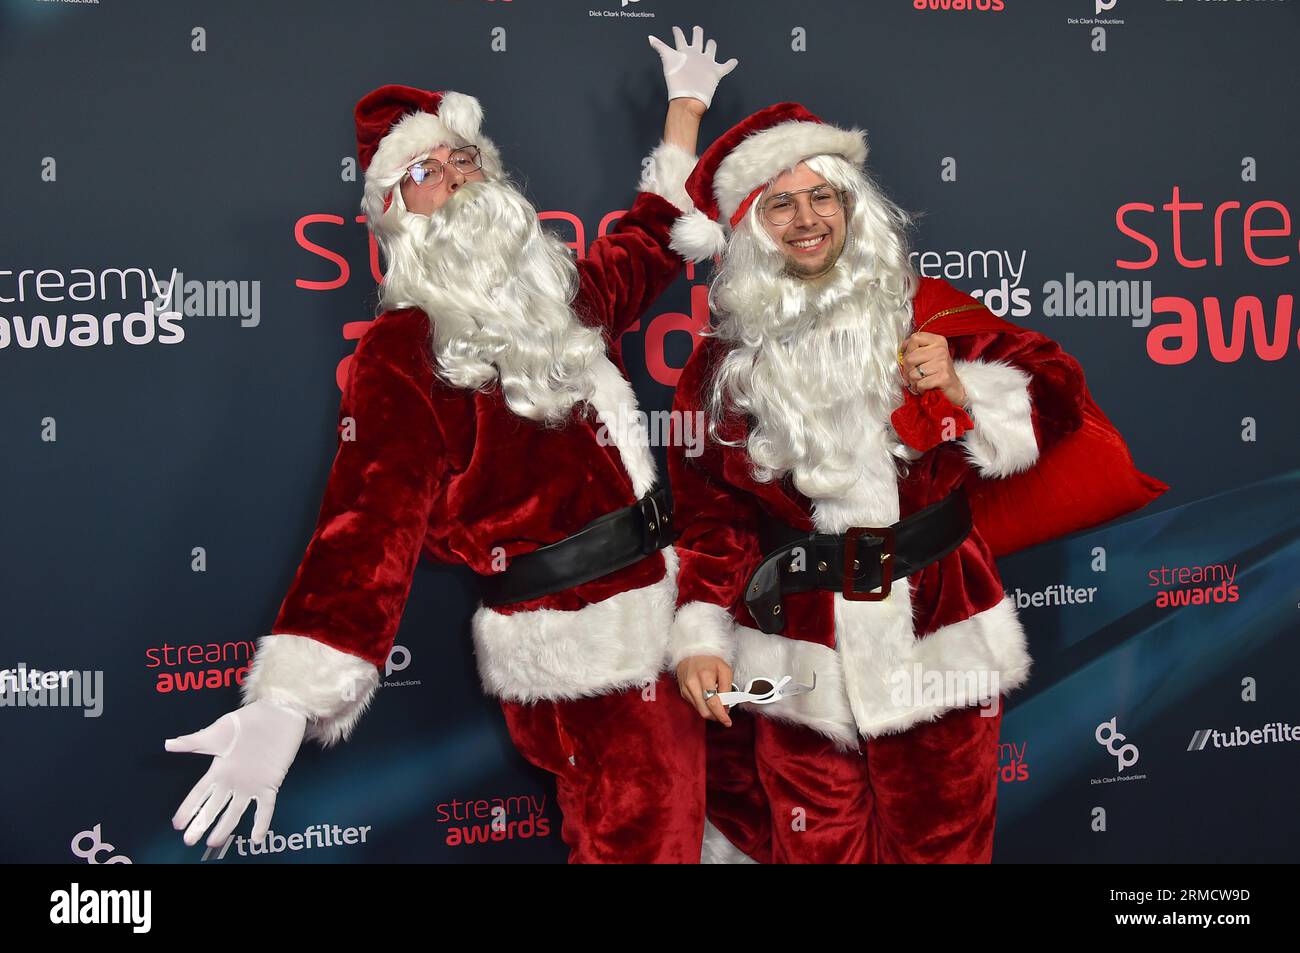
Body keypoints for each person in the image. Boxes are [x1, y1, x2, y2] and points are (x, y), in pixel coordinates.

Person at [165, 27, 738, 864]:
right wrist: (286, 704)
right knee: (645, 845)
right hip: (583, 653)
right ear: (396, 213)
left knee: (704, 828)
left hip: (672, 611)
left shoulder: (556, 290)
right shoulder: (403, 348)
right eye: (429, 171)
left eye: (467, 160)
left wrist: (685, 109)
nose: (460, 178)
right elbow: (365, 527)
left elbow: (650, 238)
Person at [664, 102, 1163, 863]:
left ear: (849, 205)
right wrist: (701, 633)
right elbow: (710, 520)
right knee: (816, 849)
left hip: (939, 627)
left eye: (821, 196)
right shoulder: (718, 368)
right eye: (780, 204)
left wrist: (967, 391)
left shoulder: (924, 310)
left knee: (943, 846)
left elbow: (1057, 392)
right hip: (800, 654)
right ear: (749, 231)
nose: (806, 219)